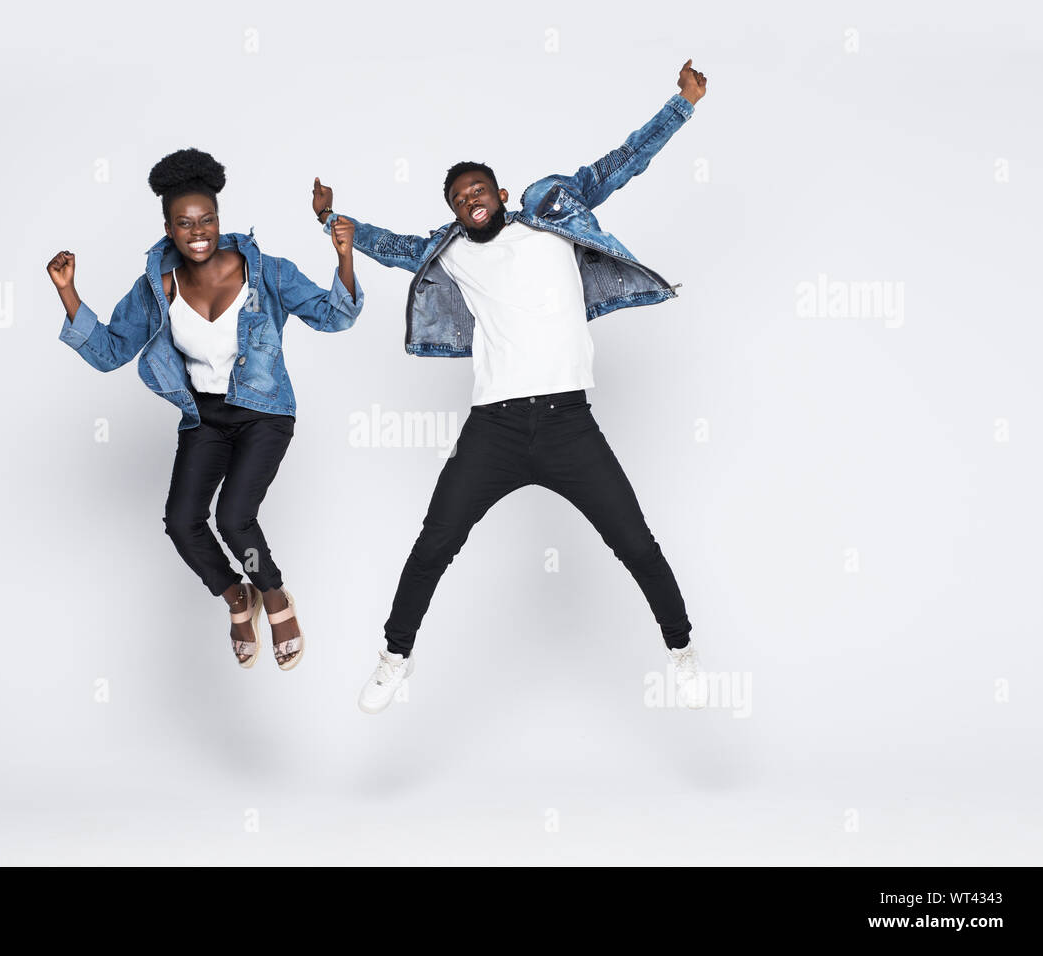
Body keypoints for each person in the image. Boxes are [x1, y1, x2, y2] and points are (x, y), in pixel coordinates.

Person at [312, 60, 710, 712]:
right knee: (435, 541)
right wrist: (332, 223)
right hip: (493, 428)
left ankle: (682, 649)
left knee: (634, 541)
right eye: (458, 198)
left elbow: (622, 162)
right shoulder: (454, 252)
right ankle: (393, 659)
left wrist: (682, 105)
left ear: (499, 193)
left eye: (479, 190)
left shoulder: (555, 213)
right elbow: (382, 244)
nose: (470, 200)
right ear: (455, 211)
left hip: (568, 424)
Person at [48, 148, 363, 669]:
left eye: (207, 219)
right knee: (181, 521)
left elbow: (336, 316)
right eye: (185, 223)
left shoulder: (265, 273)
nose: (199, 232)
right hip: (204, 419)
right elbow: (108, 354)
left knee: (235, 518)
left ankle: (276, 596)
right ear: (168, 228)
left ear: (219, 219)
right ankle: (238, 598)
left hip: (264, 413)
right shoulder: (157, 287)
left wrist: (344, 257)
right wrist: (69, 294)